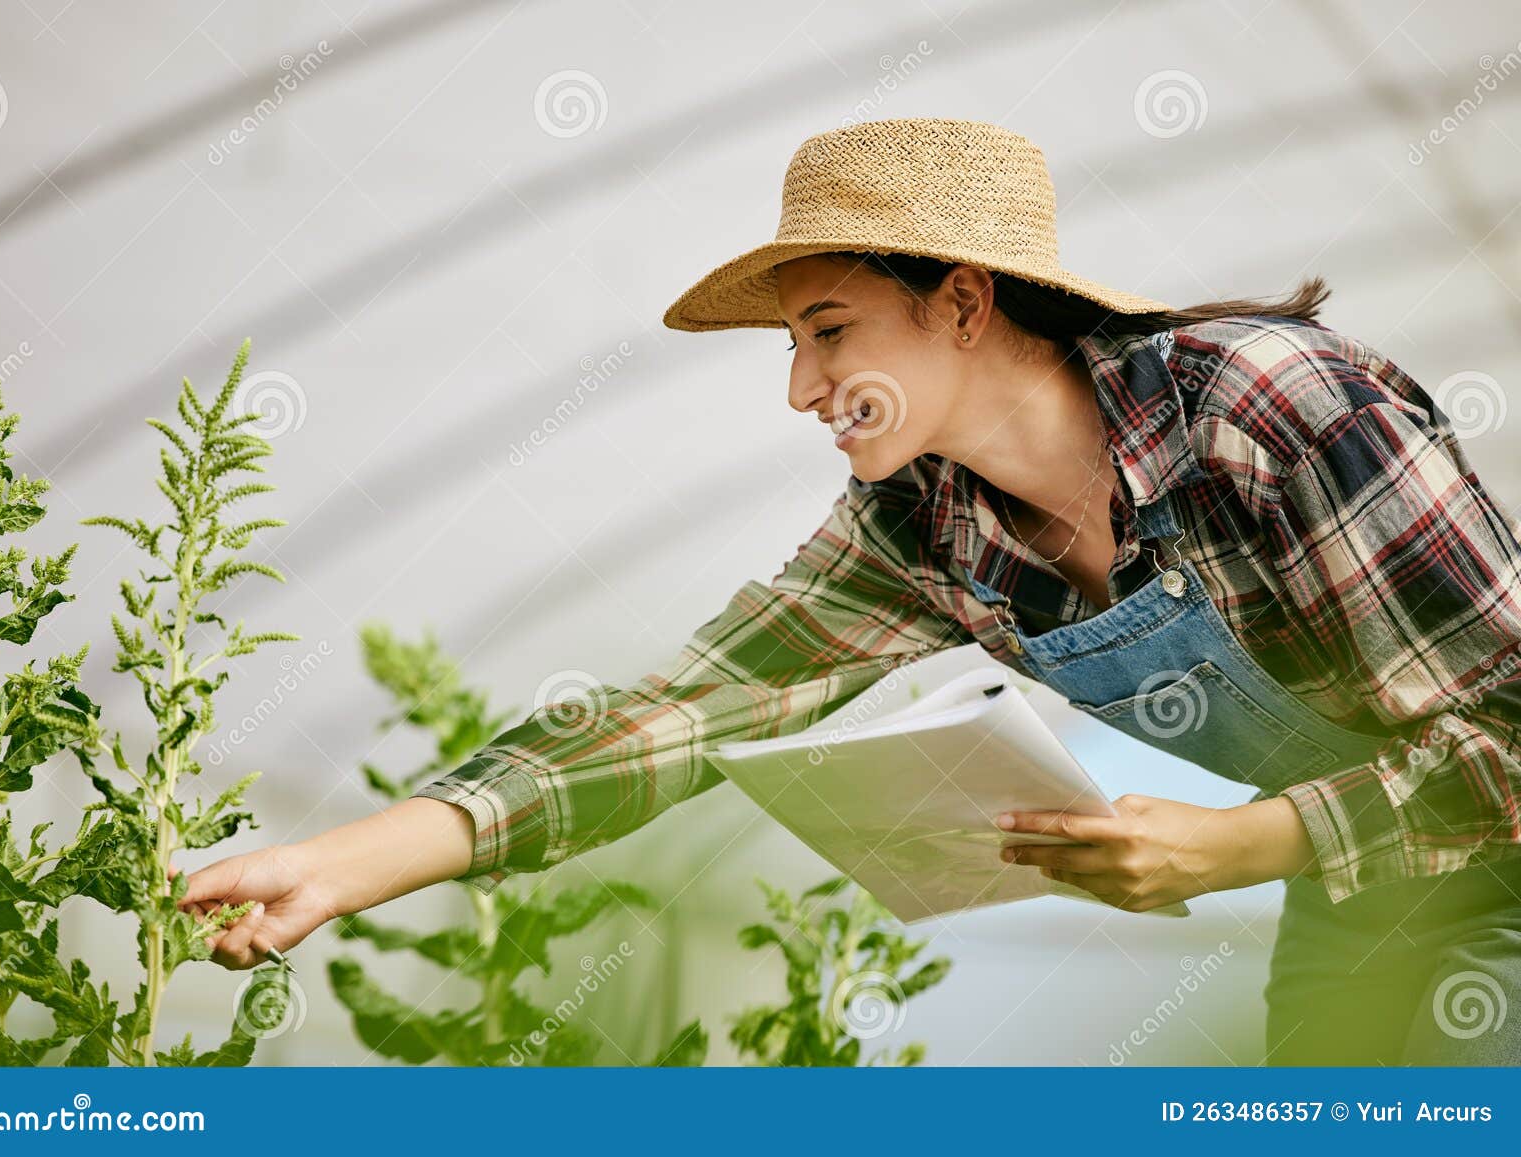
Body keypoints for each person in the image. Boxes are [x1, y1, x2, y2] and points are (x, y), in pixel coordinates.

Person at [182, 117, 1521, 1065]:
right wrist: (338, 866)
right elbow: (677, 719)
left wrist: (1247, 841)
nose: (799, 388)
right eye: (792, 344)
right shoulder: (921, 526)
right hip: (1370, 889)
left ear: (960, 302)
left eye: (830, 331)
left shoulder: (1262, 409)